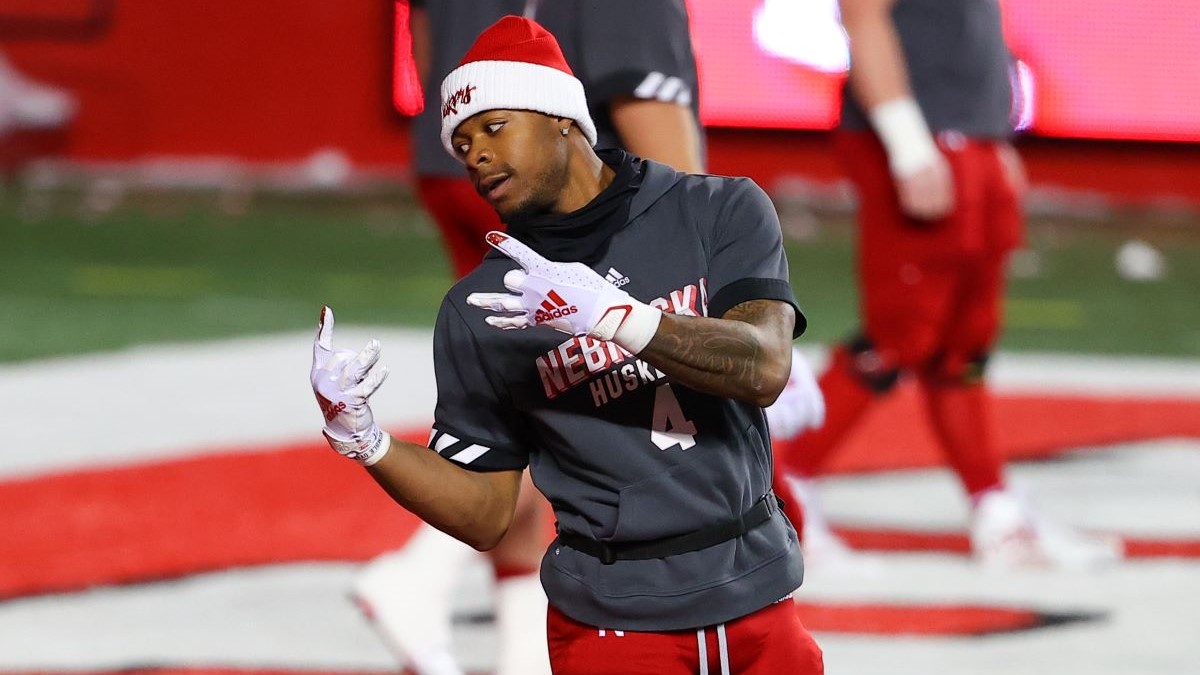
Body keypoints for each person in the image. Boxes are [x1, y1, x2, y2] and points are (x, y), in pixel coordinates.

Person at [312, 15, 824, 675]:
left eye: (494, 127)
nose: (478, 155)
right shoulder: (483, 307)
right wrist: (367, 440)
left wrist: (615, 317)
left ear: (560, 117)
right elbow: (489, 513)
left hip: (759, 606)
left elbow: (765, 367)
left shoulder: (717, 209)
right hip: (614, 623)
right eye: (462, 144)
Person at [774, 0, 1123, 569]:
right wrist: (908, 142)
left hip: (968, 135)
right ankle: (783, 493)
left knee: (965, 341)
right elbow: (864, 17)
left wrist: (991, 136)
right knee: (901, 335)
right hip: (927, 134)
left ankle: (995, 509)